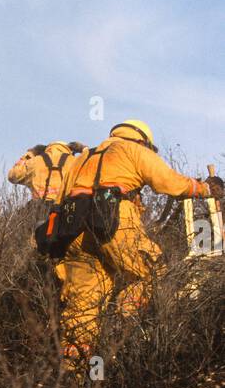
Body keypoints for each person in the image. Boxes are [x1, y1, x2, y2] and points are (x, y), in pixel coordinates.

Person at [52, 120, 223, 363]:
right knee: (152, 270)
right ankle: (123, 327)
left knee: (82, 307)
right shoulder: (133, 149)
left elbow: (58, 201)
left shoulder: (84, 157)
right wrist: (205, 188)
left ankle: (73, 373)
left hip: (74, 234)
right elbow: (168, 182)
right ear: (143, 140)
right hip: (115, 222)